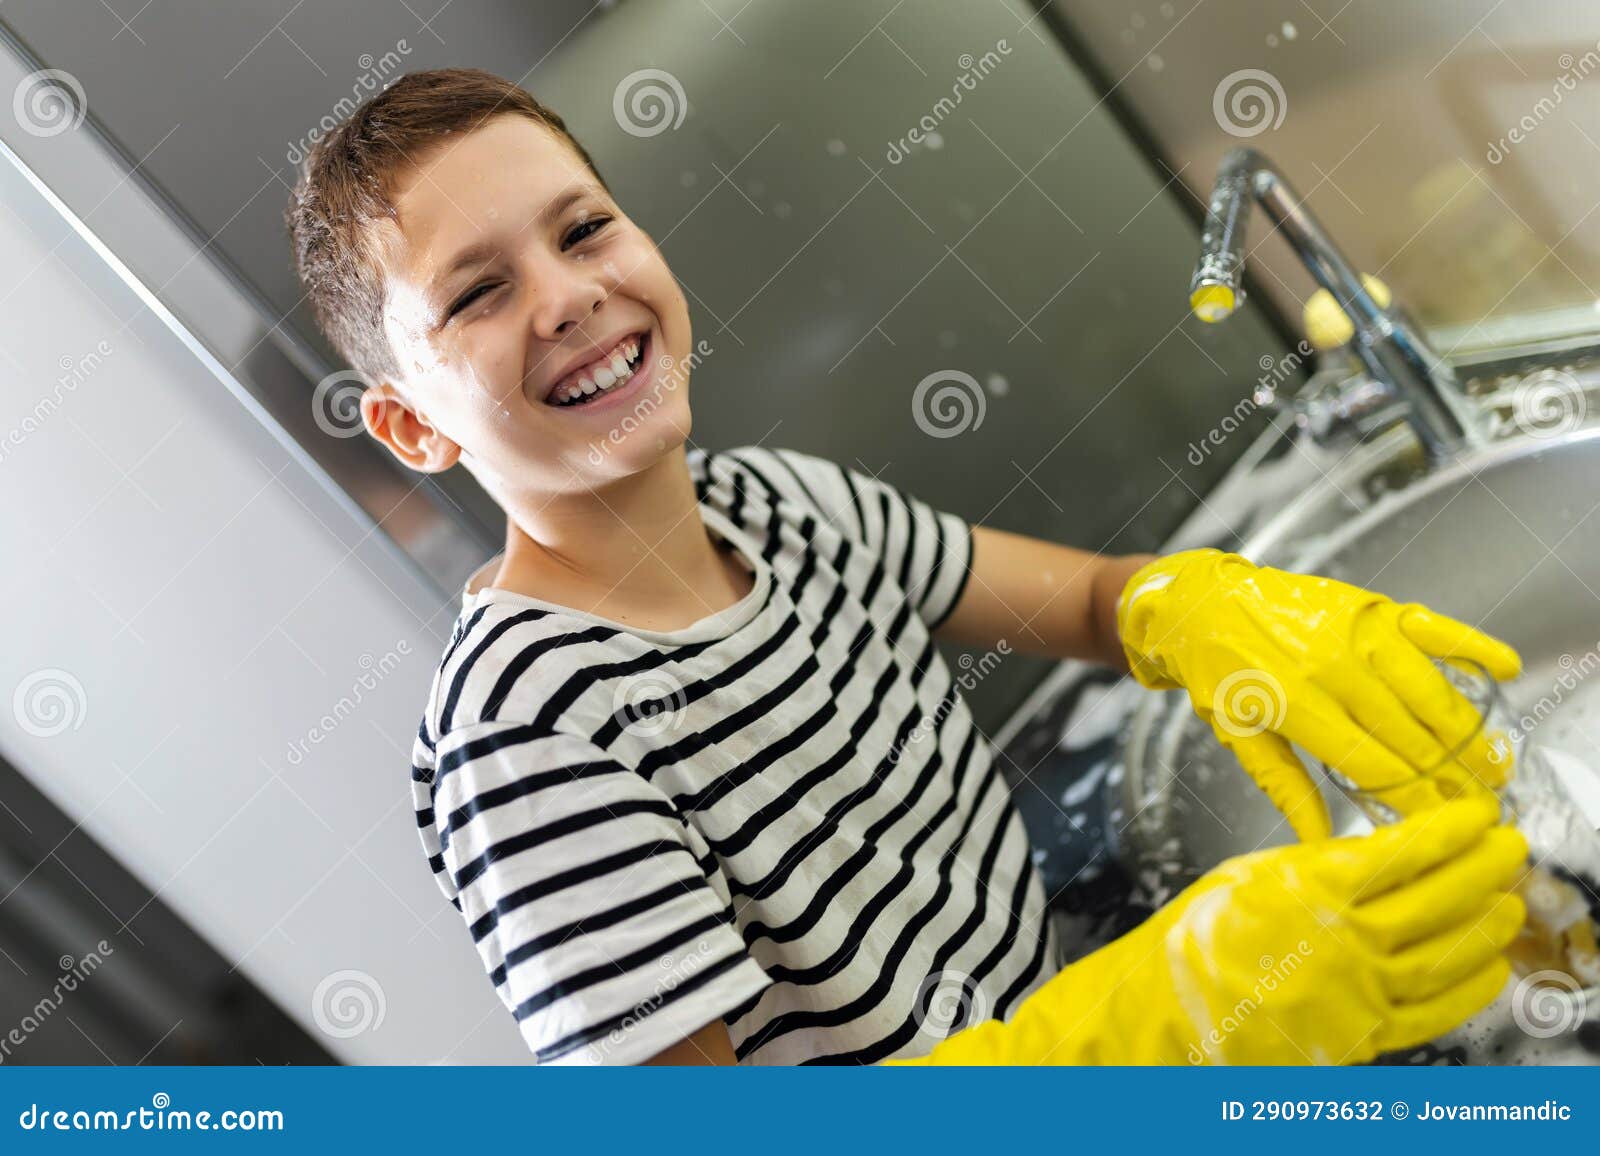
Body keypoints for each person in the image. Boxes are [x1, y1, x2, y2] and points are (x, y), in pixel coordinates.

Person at [284, 68, 1527, 1065]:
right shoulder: (526, 739)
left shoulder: (779, 504)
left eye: (584, 228)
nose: (564, 296)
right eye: (478, 294)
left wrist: (1189, 603)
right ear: (414, 427)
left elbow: (1096, 604)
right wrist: (1152, 1028)